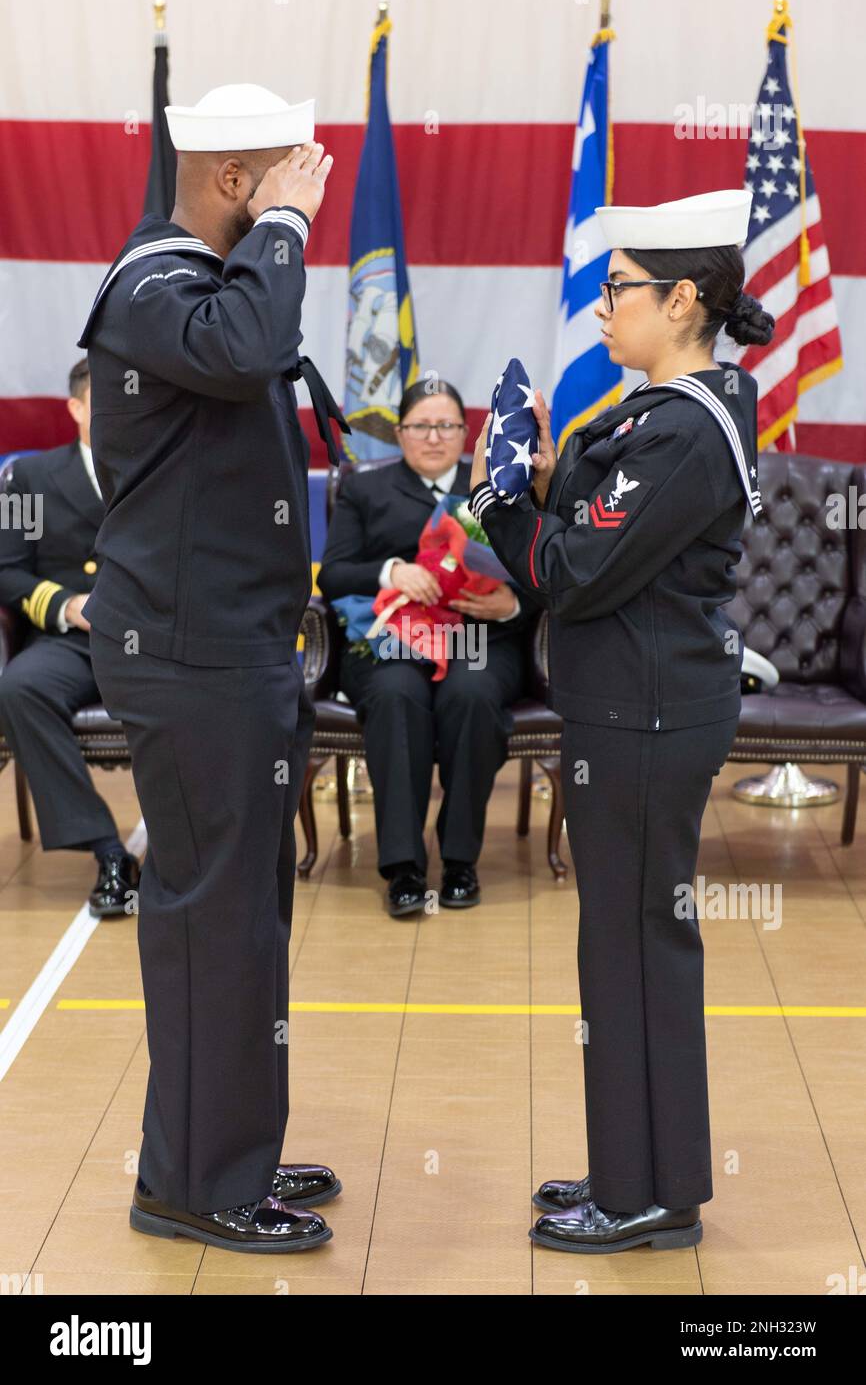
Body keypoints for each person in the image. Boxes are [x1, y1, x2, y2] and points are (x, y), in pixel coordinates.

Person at [466, 190, 775, 1253]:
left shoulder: (685, 427)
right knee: (624, 947)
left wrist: (501, 501)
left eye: (618, 289)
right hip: (631, 707)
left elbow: (577, 570)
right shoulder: (664, 410)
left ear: (681, 300)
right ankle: (630, 1167)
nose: (601, 307)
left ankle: (651, 1194)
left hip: (646, 715)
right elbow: (600, 530)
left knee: (637, 950)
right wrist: (547, 476)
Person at [76, 84, 350, 1253]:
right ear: (233, 181)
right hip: (187, 654)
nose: (304, 200)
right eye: (284, 178)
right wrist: (283, 226)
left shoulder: (200, 285)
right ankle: (191, 1183)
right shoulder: (154, 285)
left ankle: (228, 1148)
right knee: (211, 920)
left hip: (229, 648)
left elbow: (248, 344)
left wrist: (273, 229)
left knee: (245, 915)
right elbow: (249, 349)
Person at [318, 379, 538, 917]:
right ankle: (404, 868)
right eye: (421, 426)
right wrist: (391, 572)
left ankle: (460, 860)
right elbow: (334, 575)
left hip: (479, 636)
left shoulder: (499, 487)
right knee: (396, 695)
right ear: (399, 433)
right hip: (393, 638)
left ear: (466, 433)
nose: (434, 437)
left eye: (446, 426)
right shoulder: (365, 488)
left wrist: (512, 604)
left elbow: (545, 572)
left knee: (472, 695)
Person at [0, 358, 140, 916]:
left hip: (152, 640)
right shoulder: (30, 479)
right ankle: (109, 852)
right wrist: (67, 605)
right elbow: (7, 572)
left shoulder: (163, 469)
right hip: (73, 639)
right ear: (76, 408)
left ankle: (196, 855)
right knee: (21, 688)